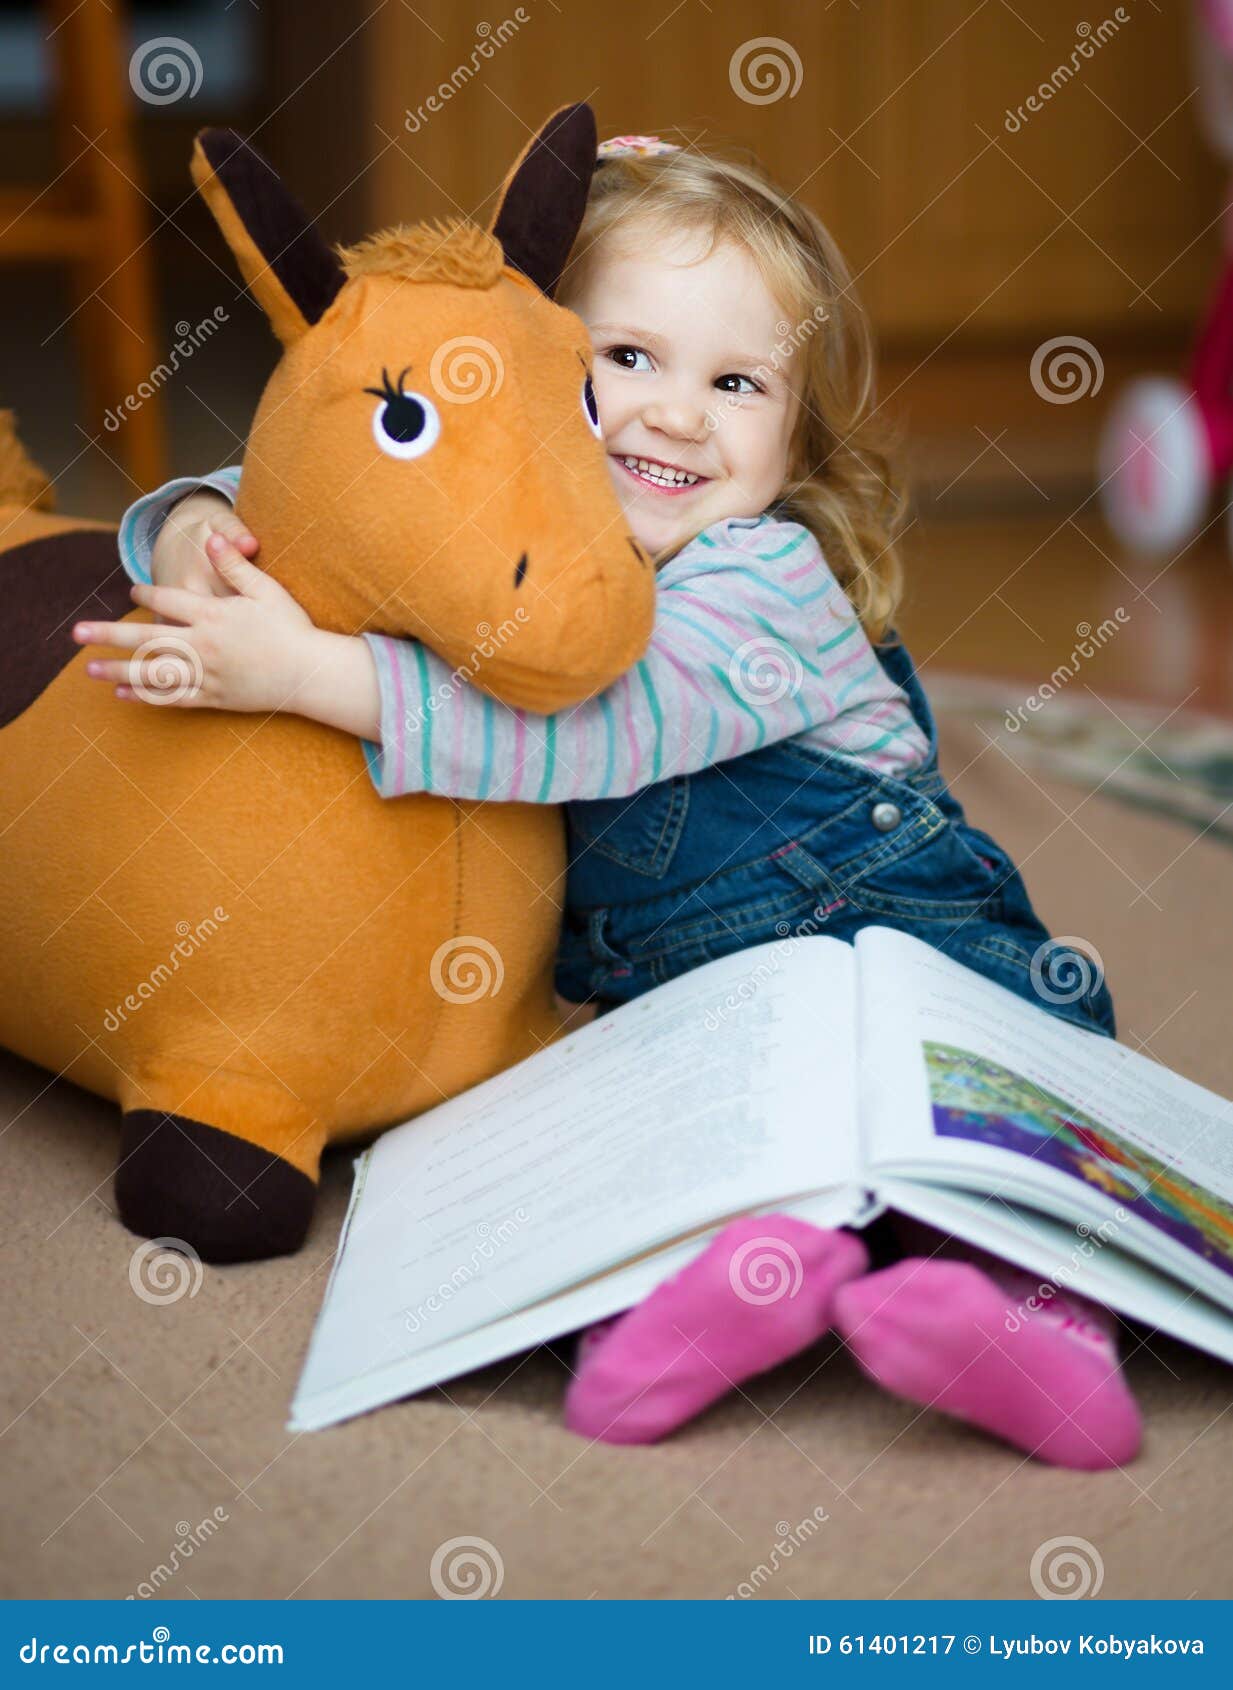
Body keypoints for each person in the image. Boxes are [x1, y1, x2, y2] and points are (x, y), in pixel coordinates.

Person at [73, 135, 1138, 1468]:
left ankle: (1034, 1340)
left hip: (915, 968)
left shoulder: (765, 580)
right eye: (624, 358)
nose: (676, 414)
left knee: (995, 1177)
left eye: (735, 382)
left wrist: (312, 671)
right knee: (620, 1180)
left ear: (793, 437)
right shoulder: (518, 535)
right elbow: (363, 475)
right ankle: (729, 1293)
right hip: (692, 1020)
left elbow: (592, 727)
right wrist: (191, 522)